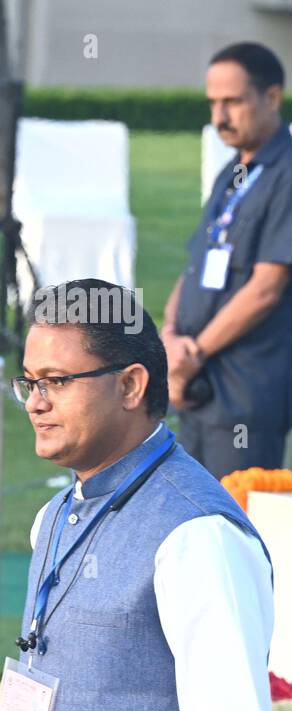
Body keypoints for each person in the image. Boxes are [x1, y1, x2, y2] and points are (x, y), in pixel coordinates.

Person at [0, 279, 276, 711]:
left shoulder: (197, 532)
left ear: (130, 385)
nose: (35, 402)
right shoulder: (53, 517)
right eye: (29, 381)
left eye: (56, 381)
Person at [164, 42, 292, 478]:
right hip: (197, 382)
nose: (219, 116)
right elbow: (196, 261)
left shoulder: (287, 173)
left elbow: (266, 287)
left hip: (245, 389)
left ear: (271, 97)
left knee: (233, 526)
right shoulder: (233, 171)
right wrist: (169, 338)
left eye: (232, 102)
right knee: (191, 523)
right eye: (214, 102)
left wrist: (194, 351)